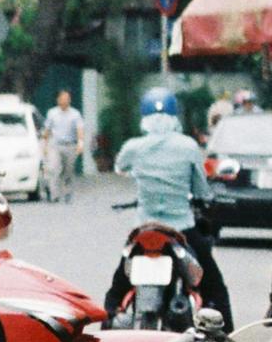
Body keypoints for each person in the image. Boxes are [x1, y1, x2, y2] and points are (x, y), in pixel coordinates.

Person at [111, 92, 234, 326]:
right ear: (175, 116)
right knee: (214, 287)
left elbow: (120, 167)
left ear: (144, 117)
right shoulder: (188, 146)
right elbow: (201, 189)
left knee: (118, 289)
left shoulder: (133, 147)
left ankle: (108, 329)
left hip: (144, 230)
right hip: (181, 229)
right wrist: (205, 198)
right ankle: (226, 341)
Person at [43, 88, 86, 198]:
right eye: (62, 98)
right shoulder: (52, 113)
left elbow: (80, 129)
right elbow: (47, 130)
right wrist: (45, 145)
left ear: (70, 100)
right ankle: (54, 194)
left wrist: (80, 143)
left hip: (70, 145)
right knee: (54, 169)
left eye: (67, 98)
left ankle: (67, 192)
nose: (64, 101)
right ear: (58, 100)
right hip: (55, 145)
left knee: (68, 171)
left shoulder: (75, 114)